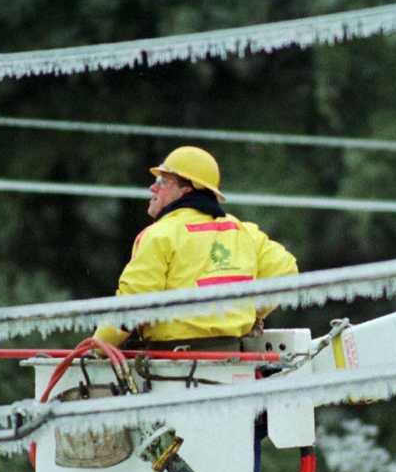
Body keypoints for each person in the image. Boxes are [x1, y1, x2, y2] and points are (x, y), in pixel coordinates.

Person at [92, 146, 298, 350]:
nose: (152, 188)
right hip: (233, 359)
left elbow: (131, 307)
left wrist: (96, 348)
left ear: (187, 189)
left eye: (162, 181)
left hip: (171, 368)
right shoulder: (243, 231)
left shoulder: (159, 235)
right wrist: (249, 313)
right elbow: (285, 271)